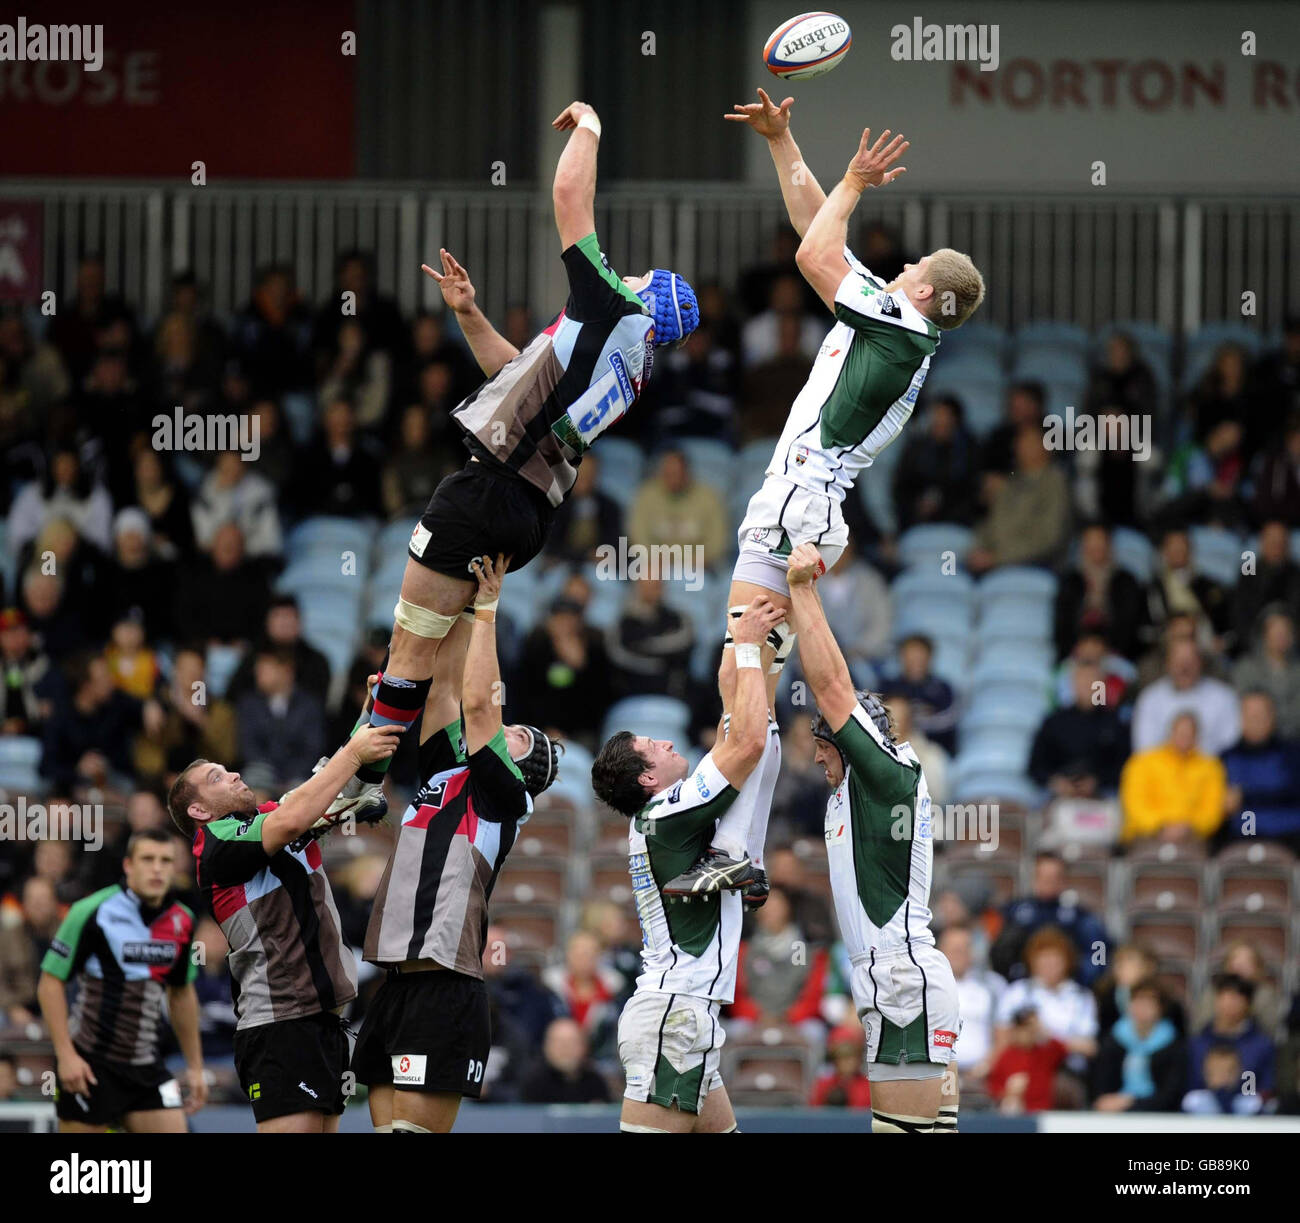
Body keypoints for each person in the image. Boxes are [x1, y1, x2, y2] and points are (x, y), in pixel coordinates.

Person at [346, 100, 698, 814]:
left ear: (645, 296)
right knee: (441, 671)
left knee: (409, 653)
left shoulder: (615, 309)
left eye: (636, 274)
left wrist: (595, 124)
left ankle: (357, 785)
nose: (623, 272)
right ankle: (436, 794)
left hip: (486, 492)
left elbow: (570, 197)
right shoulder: (633, 363)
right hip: (528, 511)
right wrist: (469, 313)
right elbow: (518, 381)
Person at [716, 99, 984, 871]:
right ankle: (739, 844)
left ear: (926, 294)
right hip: (799, 500)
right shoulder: (891, 320)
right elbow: (817, 233)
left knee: (745, 684)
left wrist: (856, 183)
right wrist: (783, 140)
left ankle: (738, 845)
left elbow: (811, 257)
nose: (895, 271)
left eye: (908, 270)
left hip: (799, 502)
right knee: (739, 683)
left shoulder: (900, 326)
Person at [351, 555, 562, 1134]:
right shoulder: (452, 771)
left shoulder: (505, 794)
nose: (502, 731)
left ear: (524, 767)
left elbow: (476, 704)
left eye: (515, 736)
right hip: (396, 977)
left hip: (445, 982)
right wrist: (462, 598)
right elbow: (444, 685)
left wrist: (490, 608)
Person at [590, 595, 786, 1133]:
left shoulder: (664, 816)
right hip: (673, 1017)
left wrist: (754, 649)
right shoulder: (665, 813)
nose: (668, 740)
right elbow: (745, 742)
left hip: (685, 1016)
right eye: (654, 745)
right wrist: (747, 647)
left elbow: (737, 719)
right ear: (647, 778)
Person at [784, 542, 962, 1134]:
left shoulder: (886, 776)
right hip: (896, 974)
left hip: (900, 976)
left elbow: (833, 685)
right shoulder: (854, 789)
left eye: (825, 742)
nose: (815, 754)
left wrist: (803, 591)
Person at [169, 719, 402, 1132]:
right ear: (199, 810)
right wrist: (353, 754)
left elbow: (331, 788)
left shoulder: (273, 817)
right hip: (279, 1024)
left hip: (323, 1023)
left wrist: (372, 710)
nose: (235, 773)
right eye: (217, 777)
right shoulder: (216, 844)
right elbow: (300, 813)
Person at [36, 830, 206, 1133]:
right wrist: (66, 1056)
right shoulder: (90, 911)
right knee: (81, 1179)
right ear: (128, 865)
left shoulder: (183, 920)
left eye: (165, 861)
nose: (157, 868)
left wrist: (194, 1067)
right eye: (148, 859)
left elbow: (181, 993)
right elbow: (50, 983)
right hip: (89, 1064)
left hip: (145, 1065)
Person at [1119, 711, 1226, 844]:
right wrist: (1161, 826)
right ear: (1170, 733)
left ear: (1197, 737)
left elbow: (1212, 810)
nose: (1184, 737)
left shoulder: (1210, 767)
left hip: (1192, 836)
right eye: (1180, 732)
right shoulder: (1143, 762)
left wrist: (1189, 828)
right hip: (1147, 835)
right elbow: (1134, 804)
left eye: (1189, 734)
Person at [1090, 978, 1186, 1112]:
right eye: (1137, 1001)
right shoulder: (1115, 1038)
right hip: (1114, 1110)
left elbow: (1171, 1094)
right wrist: (1106, 1100)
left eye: (1148, 1003)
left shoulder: (1173, 1044)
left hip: (1158, 1114)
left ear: (1161, 1008)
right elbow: (1101, 1082)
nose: (1141, 1008)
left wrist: (1129, 1101)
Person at [519, 1017, 612, 1105]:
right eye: (559, 1043)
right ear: (546, 1047)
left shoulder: (595, 1083)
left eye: (572, 1043)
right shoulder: (532, 1084)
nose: (565, 1049)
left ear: (584, 1047)